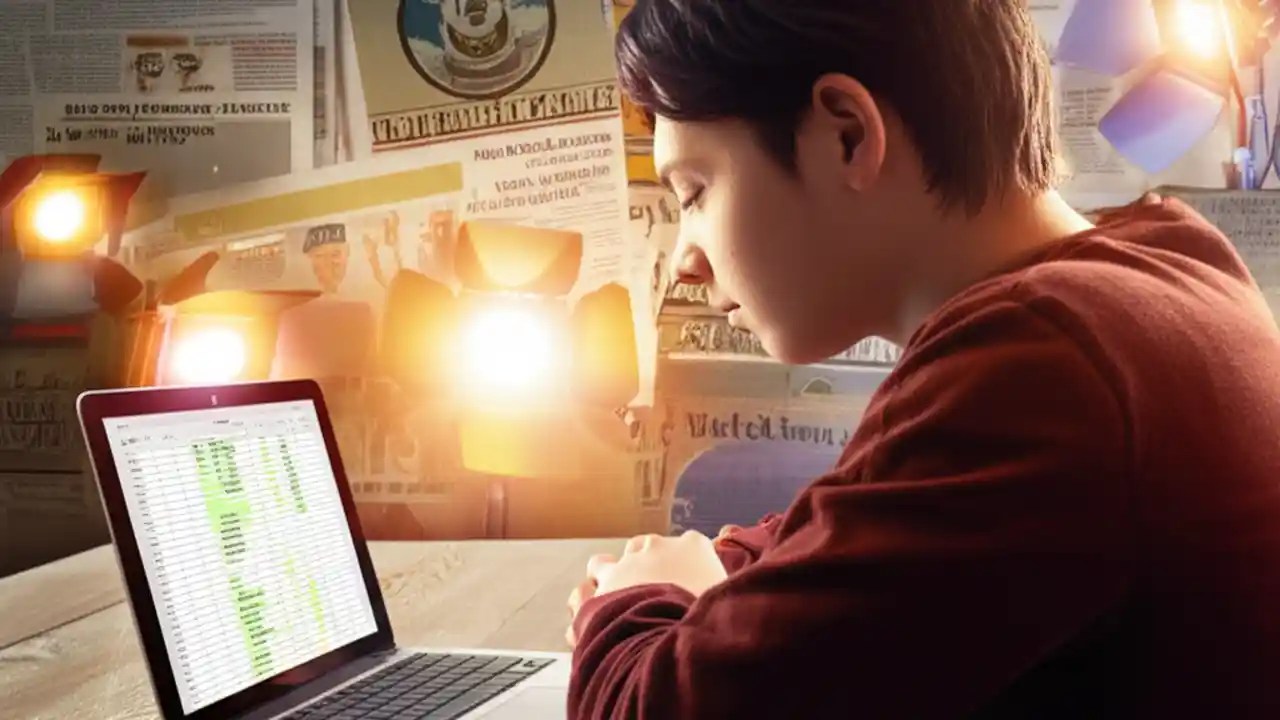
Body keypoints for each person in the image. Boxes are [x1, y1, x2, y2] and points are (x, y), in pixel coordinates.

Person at [565, 1, 1280, 718]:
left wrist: (633, 602)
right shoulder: (1166, 264)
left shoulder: (1040, 366)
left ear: (847, 134)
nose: (683, 262)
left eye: (694, 193)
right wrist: (724, 571)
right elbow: (859, 517)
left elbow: (650, 709)